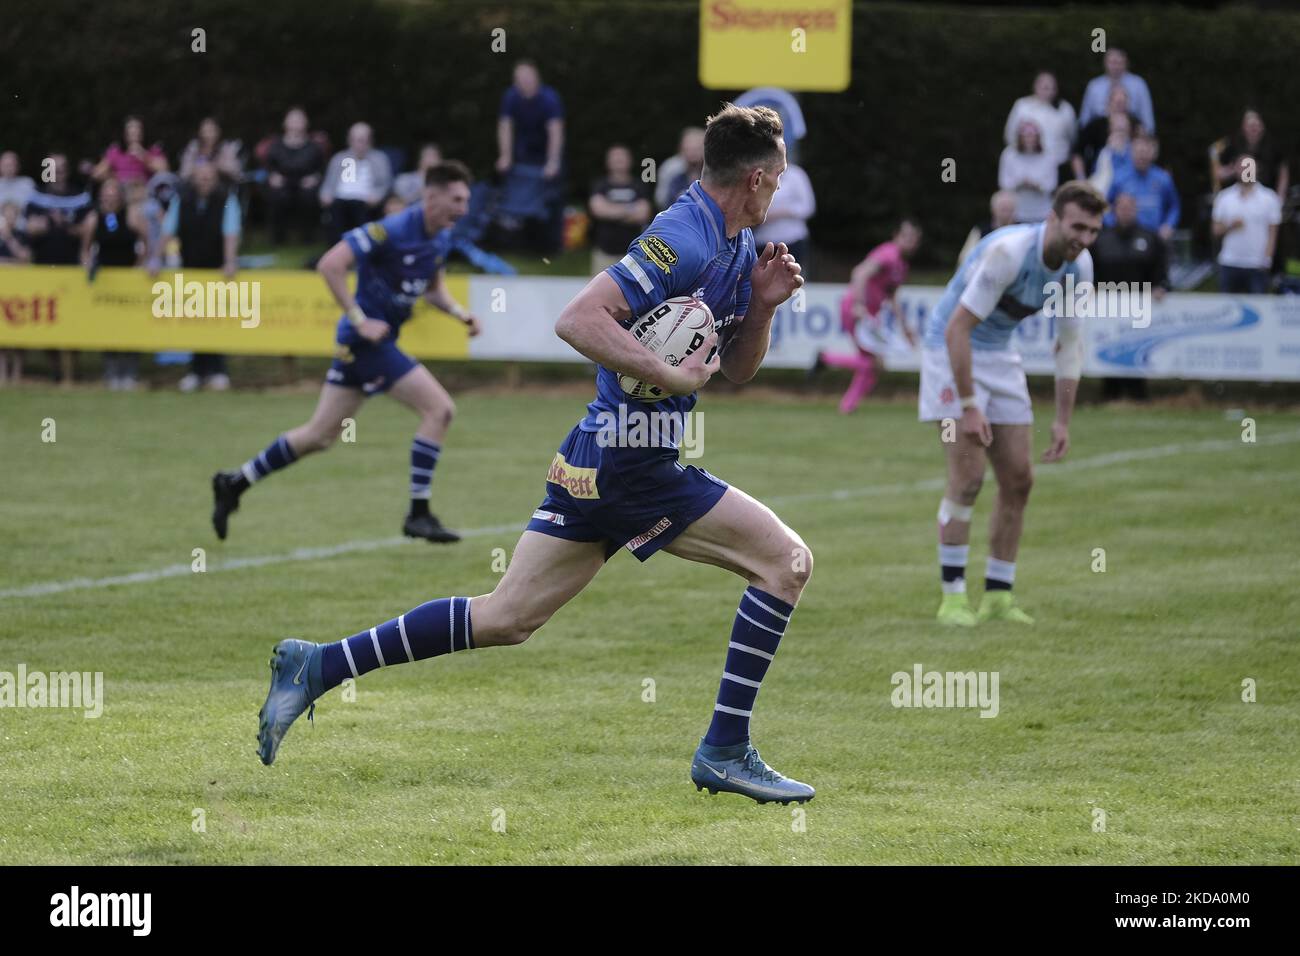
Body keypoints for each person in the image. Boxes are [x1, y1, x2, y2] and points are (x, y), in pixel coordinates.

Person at [255, 104, 816, 806]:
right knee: (786, 562)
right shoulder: (685, 236)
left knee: (505, 618)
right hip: (632, 464)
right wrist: (669, 376)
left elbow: (735, 372)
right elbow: (578, 318)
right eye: (781, 179)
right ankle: (726, 748)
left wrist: (761, 307)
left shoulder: (736, 249)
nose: (783, 193)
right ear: (757, 177)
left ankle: (319, 664)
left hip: (598, 455)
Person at [211, 161, 481, 544]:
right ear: (431, 195)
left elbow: (433, 289)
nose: (463, 208)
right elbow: (330, 264)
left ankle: (235, 481)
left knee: (319, 436)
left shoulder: (440, 238)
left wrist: (459, 313)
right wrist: (360, 320)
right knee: (440, 410)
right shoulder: (391, 229)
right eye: (456, 199)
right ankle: (418, 514)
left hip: (364, 348)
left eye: (466, 200)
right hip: (367, 344)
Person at [919, 181, 1104, 627]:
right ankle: (953, 599)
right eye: (1077, 226)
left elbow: (1068, 346)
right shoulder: (1009, 253)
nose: (1084, 238)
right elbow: (956, 330)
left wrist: (1062, 421)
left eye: (1094, 230)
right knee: (968, 478)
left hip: (999, 352)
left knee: (1020, 479)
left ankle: (999, 596)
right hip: (950, 351)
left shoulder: (1079, 268)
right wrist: (969, 405)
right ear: (1053, 218)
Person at [811, 219, 920, 413]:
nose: (910, 242)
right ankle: (826, 358)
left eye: (914, 239)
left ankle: (847, 405)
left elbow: (893, 298)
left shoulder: (901, 266)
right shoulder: (888, 254)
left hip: (869, 317)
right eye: (907, 236)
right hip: (857, 311)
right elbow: (860, 273)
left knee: (874, 365)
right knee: (872, 363)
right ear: (896, 236)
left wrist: (906, 329)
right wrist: (859, 305)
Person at [162, 163, 242, 391]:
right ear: (194, 179)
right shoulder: (182, 199)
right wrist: (156, 258)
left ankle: (218, 371)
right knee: (195, 320)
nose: (205, 181)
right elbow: (169, 229)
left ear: (216, 180)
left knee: (215, 319)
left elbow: (230, 232)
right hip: (191, 267)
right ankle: (196, 371)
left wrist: (229, 261)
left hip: (216, 268)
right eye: (201, 178)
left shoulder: (226, 199)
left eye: (209, 178)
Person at [80, 178, 147, 389]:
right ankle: (111, 372)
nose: (110, 196)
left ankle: (129, 373)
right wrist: (87, 265)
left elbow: (147, 242)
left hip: (128, 278)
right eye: (106, 192)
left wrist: (140, 266)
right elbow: (85, 249)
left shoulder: (132, 215)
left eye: (114, 192)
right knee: (108, 326)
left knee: (130, 327)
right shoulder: (94, 218)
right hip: (105, 281)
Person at [1212, 154, 1282, 294]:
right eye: (1242, 166)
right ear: (1235, 169)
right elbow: (1215, 230)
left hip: (1257, 264)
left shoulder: (1269, 198)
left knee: (1259, 310)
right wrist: (1230, 226)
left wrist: (1267, 260)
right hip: (1229, 263)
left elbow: (1273, 233)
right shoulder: (1224, 197)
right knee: (1227, 309)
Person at [320, 122, 392, 243]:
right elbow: (328, 184)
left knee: (357, 207)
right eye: (357, 140)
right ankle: (337, 246)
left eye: (363, 140)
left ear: (370, 140)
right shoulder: (339, 158)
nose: (360, 144)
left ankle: (361, 245)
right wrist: (325, 195)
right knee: (337, 208)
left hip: (365, 201)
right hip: (340, 200)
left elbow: (386, 184)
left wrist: (377, 197)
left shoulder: (380, 159)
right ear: (350, 140)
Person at [264, 108, 326, 245]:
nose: (296, 123)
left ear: (306, 123)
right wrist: (272, 176)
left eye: (299, 119)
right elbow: (268, 167)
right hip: (282, 183)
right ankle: (278, 238)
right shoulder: (275, 145)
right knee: (277, 196)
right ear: (285, 123)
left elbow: (321, 168)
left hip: (305, 183)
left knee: (309, 196)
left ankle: (308, 237)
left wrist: (315, 177)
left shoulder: (314, 146)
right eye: (292, 119)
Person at [587, 144, 652, 274]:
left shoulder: (639, 185)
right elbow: (598, 210)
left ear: (630, 161)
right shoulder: (600, 185)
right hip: (604, 252)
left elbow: (644, 213)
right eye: (615, 158)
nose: (619, 162)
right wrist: (630, 209)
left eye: (622, 158)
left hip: (633, 254)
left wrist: (611, 210)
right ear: (608, 162)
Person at [1105, 132, 1179, 241]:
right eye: (1138, 152)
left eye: (1145, 152)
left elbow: (1174, 206)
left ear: (1153, 153)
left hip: (1156, 238)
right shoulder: (1119, 177)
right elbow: (1106, 206)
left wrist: (1169, 225)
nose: (1142, 156)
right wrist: (1113, 225)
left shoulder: (1163, 179)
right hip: (1125, 239)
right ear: (1131, 152)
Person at [1003, 71, 1076, 168]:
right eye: (1045, 87)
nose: (1050, 91)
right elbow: (1010, 135)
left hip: (1058, 165)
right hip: (1027, 164)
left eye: (1053, 88)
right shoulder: (1022, 106)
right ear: (1035, 86)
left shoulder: (1065, 109)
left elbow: (1072, 137)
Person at [752, 159, 814, 268]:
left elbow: (807, 207)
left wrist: (780, 213)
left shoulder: (796, 175)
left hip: (792, 240)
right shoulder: (756, 175)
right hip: (763, 242)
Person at [1078, 48, 1154, 133]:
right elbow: (1085, 118)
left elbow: (1147, 117)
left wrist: (1147, 136)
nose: (1116, 66)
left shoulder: (1139, 84)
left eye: (1119, 62)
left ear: (1126, 63)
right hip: (1099, 134)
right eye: (1112, 62)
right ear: (1105, 63)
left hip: (1131, 134)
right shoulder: (1094, 86)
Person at [998, 121, 1058, 223]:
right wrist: (1020, 183)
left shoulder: (1048, 156)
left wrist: (1037, 186)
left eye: (1032, 136)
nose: (1029, 139)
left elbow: (1051, 185)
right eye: (1026, 136)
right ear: (1019, 137)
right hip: (1017, 213)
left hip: (1042, 212)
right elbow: (1004, 183)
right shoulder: (1009, 154)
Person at [957, 190, 1017, 266]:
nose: (1006, 214)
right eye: (1003, 209)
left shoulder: (1021, 230)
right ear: (993, 209)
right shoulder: (980, 230)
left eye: (1009, 209)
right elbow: (965, 257)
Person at [178, 117, 243, 185]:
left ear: (218, 132)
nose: (207, 135)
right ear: (200, 132)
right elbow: (183, 173)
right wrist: (198, 170)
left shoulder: (226, 148)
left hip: (220, 187)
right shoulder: (193, 148)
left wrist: (215, 168)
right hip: (194, 188)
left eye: (211, 131)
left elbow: (236, 172)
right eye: (205, 131)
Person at [655, 127, 705, 210]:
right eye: (688, 149)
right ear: (681, 149)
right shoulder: (670, 170)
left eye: (697, 149)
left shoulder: (717, 171)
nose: (692, 153)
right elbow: (662, 201)